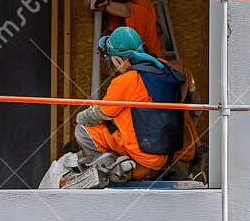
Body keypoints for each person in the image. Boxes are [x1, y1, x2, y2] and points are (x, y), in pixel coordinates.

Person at [42, 26, 187, 189]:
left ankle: (110, 169)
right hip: (162, 157)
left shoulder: (126, 80)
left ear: (119, 59)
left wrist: (80, 117)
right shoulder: (165, 71)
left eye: (111, 58)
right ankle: (121, 164)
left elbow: (102, 112)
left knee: (84, 129)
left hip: (140, 157)